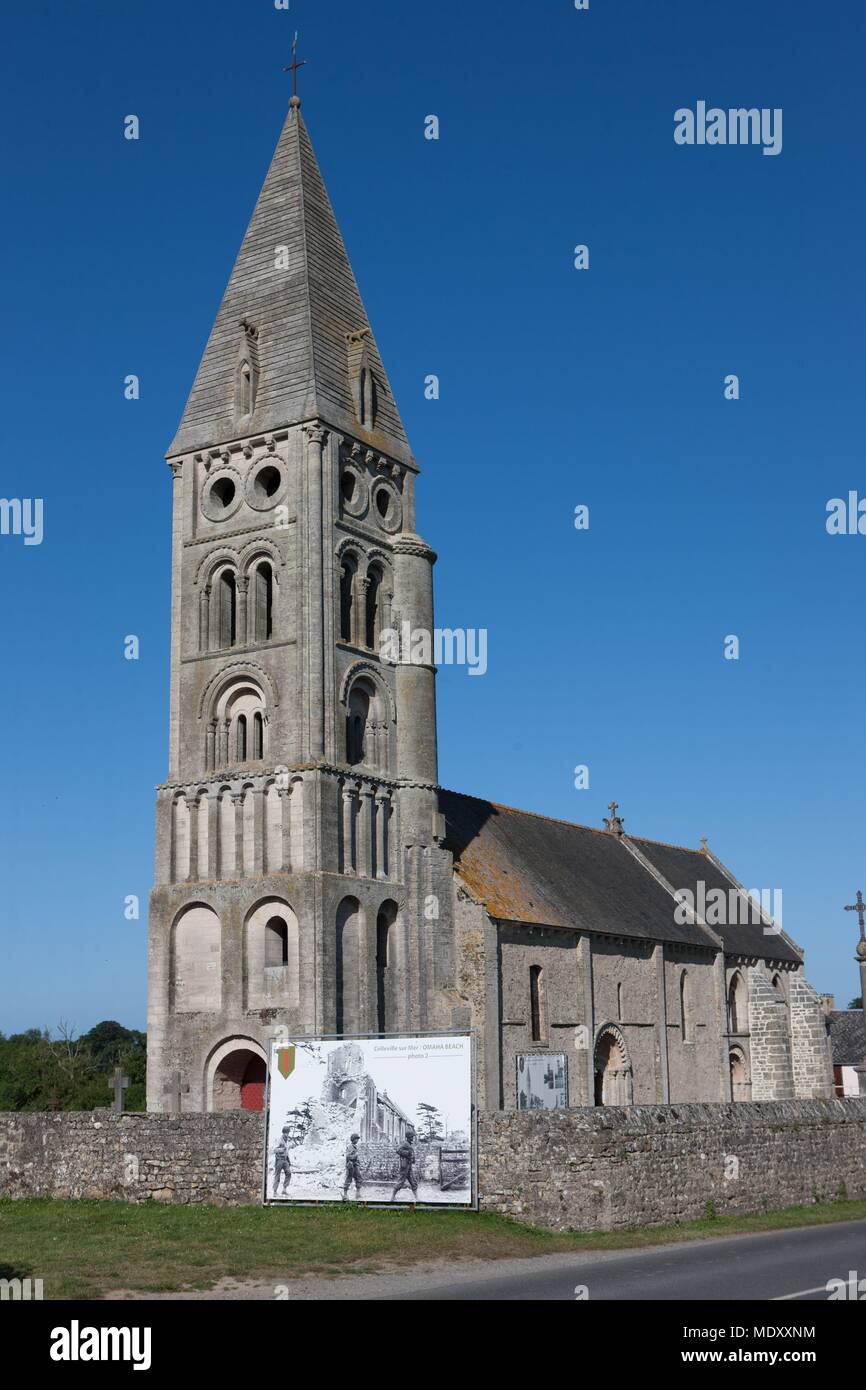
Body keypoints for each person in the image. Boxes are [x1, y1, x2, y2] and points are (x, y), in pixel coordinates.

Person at [390, 1127, 419, 1202]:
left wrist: (413, 1159)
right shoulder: (405, 1143)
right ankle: (392, 1198)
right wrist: (407, 1153)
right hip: (404, 1166)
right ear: (408, 1137)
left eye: (413, 1137)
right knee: (400, 1182)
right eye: (412, 1137)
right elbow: (398, 1150)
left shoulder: (409, 1144)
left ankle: (417, 1198)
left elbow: (411, 1153)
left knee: (413, 1182)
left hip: (409, 1166)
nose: (413, 1138)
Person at [272, 1125, 292, 1196]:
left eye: (288, 1133)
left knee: (289, 1173)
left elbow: (287, 1152)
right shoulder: (279, 1140)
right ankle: (274, 1192)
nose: (287, 1134)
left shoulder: (287, 1140)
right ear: (283, 1133)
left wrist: (288, 1161)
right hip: (279, 1160)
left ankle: (284, 1190)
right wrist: (281, 1149)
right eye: (286, 1133)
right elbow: (274, 1150)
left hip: (285, 1160)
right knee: (277, 1175)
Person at [342, 1132, 363, 1200]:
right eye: (356, 1139)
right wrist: (355, 1156)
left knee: (359, 1178)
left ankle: (358, 1194)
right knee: (348, 1179)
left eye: (357, 1139)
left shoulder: (355, 1146)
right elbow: (348, 1156)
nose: (357, 1140)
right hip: (351, 1165)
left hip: (355, 1165)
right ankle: (345, 1195)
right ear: (353, 1139)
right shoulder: (350, 1147)